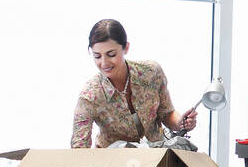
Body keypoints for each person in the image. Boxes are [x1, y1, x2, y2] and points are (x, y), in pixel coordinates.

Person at [71, 19, 198, 148]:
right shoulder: (90, 95)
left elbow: (166, 113)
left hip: (156, 160)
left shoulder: (151, 73)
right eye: (97, 56)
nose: (104, 63)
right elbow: (79, 147)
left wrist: (181, 123)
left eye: (111, 54)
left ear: (126, 48)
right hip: (113, 163)